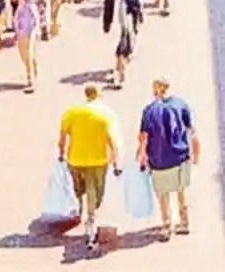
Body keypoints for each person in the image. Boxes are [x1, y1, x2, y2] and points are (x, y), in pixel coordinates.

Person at [59, 85, 123, 250]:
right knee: (95, 191)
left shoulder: (72, 113)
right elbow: (112, 141)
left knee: (78, 188)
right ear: (98, 96)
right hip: (98, 161)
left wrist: (61, 153)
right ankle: (91, 217)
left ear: (86, 96)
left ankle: (80, 207)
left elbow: (62, 137)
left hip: (75, 159)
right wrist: (116, 161)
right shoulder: (105, 115)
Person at [137, 76, 200, 241]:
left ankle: (167, 226)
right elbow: (192, 131)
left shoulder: (149, 110)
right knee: (181, 191)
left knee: (163, 194)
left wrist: (142, 156)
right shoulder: (180, 104)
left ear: (157, 88)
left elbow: (144, 137)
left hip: (159, 159)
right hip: (180, 156)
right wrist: (196, 153)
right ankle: (184, 222)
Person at [14, 0, 43, 92]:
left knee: (29, 52)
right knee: (23, 54)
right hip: (21, 27)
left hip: (32, 27)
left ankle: (30, 79)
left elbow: (41, 7)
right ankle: (32, 68)